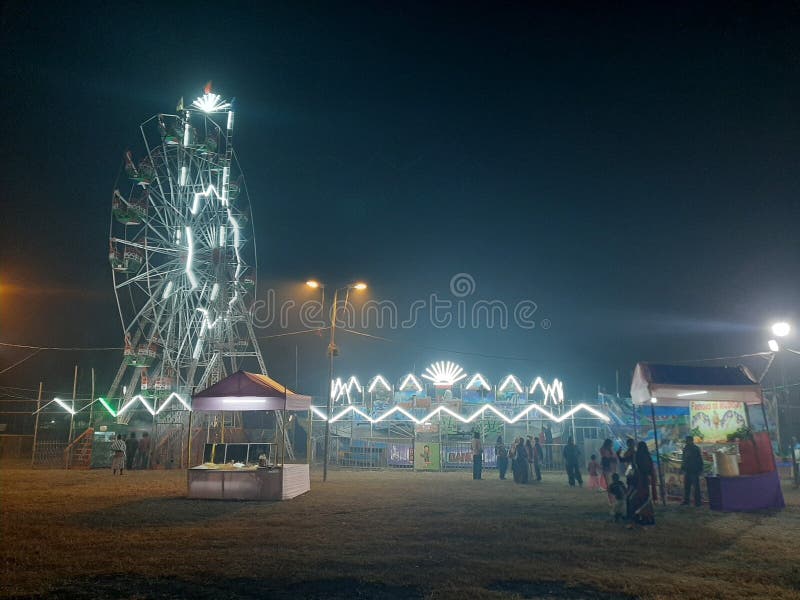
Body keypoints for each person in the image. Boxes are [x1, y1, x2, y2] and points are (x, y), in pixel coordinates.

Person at [628, 441, 655, 526]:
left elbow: (636, 467)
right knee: (645, 497)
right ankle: (647, 516)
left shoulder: (638, 455)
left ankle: (640, 516)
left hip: (640, 478)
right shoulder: (648, 456)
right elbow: (651, 468)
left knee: (638, 498)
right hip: (645, 479)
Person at [681, 435, 703, 506]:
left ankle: (696, 502)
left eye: (688, 441)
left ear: (690, 441)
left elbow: (699, 459)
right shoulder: (687, 448)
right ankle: (689, 501)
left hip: (693, 470)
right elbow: (684, 459)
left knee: (695, 487)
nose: (687, 442)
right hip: (689, 469)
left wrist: (700, 469)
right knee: (688, 486)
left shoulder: (694, 449)